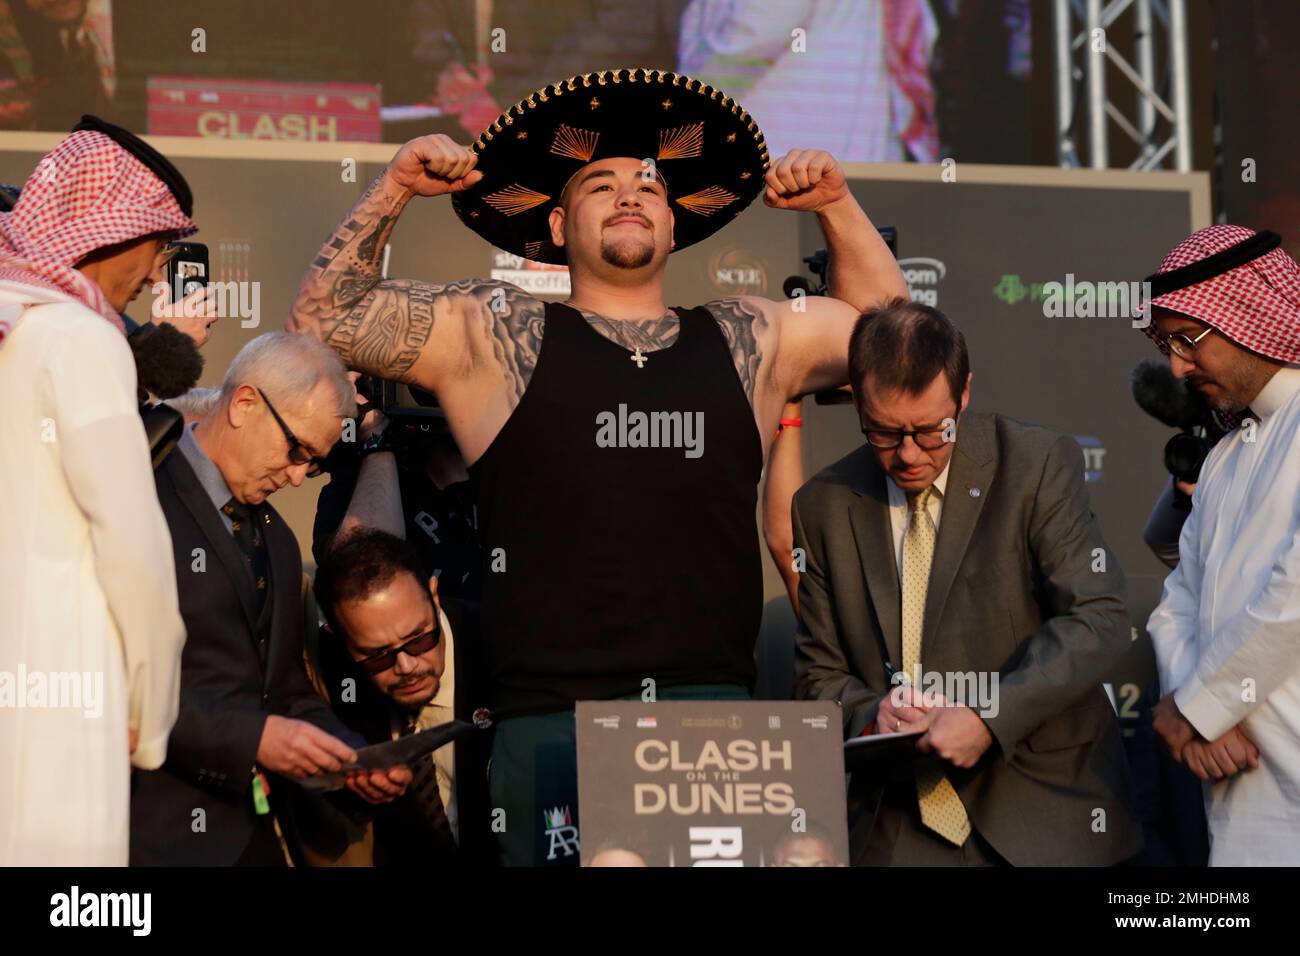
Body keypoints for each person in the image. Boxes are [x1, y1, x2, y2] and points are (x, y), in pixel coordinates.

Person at [288, 67, 907, 866]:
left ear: (675, 225)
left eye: (649, 183)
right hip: (553, 726)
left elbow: (898, 342)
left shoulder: (751, 336)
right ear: (555, 221)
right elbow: (322, 317)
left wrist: (835, 205)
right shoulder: (495, 335)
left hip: (717, 724)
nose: (629, 193)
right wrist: (398, 185)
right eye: (599, 184)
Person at [793, 298, 1142, 866]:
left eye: (932, 431)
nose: (908, 455)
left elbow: (1098, 616)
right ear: (857, 401)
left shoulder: (1036, 465)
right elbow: (817, 679)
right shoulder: (823, 506)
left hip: (1041, 804)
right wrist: (876, 714)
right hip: (901, 820)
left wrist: (989, 717)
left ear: (965, 394)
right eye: (882, 433)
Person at [129, 332, 410, 866]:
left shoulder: (277, 541)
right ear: (244, 404)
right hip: (141, 835)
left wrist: (350, 758)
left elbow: (282, 689)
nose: (300, 476)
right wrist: (252, 738)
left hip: (249, 836)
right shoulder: (137, 497)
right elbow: (111, 686)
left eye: (316, 463)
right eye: (296, 449)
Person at [0, 118, 190, 865]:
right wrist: (149, 704)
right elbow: (133, 550)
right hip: (62, 691)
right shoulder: (79, 338)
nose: (152, 277)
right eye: (157, 246)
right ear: (111, 228)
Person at [1143, 225, 1300, 866]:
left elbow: (1294, 597)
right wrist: (1193, 709)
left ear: (1248, 315)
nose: (1177, 367)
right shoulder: (1226, 454)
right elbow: (1180, 599)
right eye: (1166, 344)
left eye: (1188, 340)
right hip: (1237, 792)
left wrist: (1200, 706)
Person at [311, 528, 492, 866]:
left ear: (434, 597)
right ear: (340, 638)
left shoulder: (497, 645)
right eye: (378, 655)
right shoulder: (334, 676)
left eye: (419, 638)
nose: (407, 666)